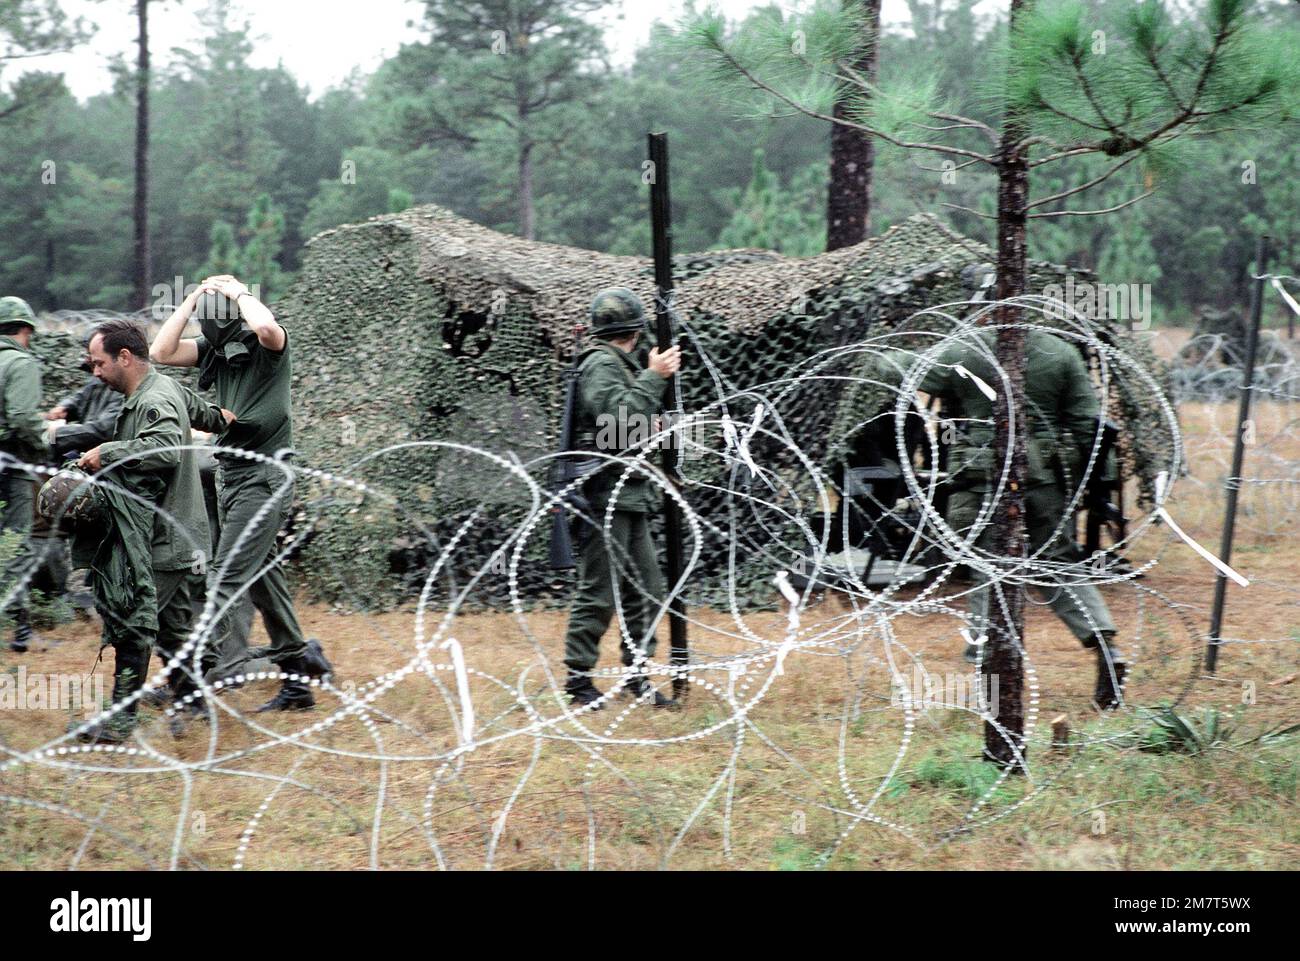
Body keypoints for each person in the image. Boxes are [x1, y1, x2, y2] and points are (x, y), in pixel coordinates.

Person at [876, 327, 1126, 710]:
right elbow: (1087, 424)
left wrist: (881, 348)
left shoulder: (971, 351)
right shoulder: (1061, 353)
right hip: (1044, 480)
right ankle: (1104, 646)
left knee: (987, 569)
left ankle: (987, 674)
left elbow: (911, 368)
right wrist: (1084, 486)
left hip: (982, 477)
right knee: (1057, 564)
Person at [150, 277, 331, 713]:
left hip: (263, 481)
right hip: (231, 478)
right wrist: (191, 299)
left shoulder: (269, 349)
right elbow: (161, 352)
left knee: (224, 580)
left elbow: (268, 329)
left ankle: (190, 682)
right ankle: (298, 676)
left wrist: (238, 291)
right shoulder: (217, 350)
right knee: (265, 583)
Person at [69, 319, 232, 743]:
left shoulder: (154, 398)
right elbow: (205, 414)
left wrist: (107, 452)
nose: (96, 372)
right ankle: (195, 705)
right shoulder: (162, 388)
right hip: (178, 533)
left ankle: (120, 725)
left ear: (124, 357)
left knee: (134, 624)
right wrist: (227, 419)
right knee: (174, 630)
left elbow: (162, 452)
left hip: (164, 537)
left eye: (99, 363)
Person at [560, 287, 681, 710]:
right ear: (633, 329)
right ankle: (578, 681)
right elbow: (620, 421)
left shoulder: (623, 362)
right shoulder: (601, 366)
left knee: (645, 588)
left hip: (630, 494)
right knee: (598, 592)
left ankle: (636, 674)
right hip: (604, 495)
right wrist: (654, 377)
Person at [0, 297, 48, 653]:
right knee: (17, 541)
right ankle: (20, 628)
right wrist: (47, 439)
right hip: (12, 463)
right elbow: (23, 418)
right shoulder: (20, 362)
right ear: (25, 330)